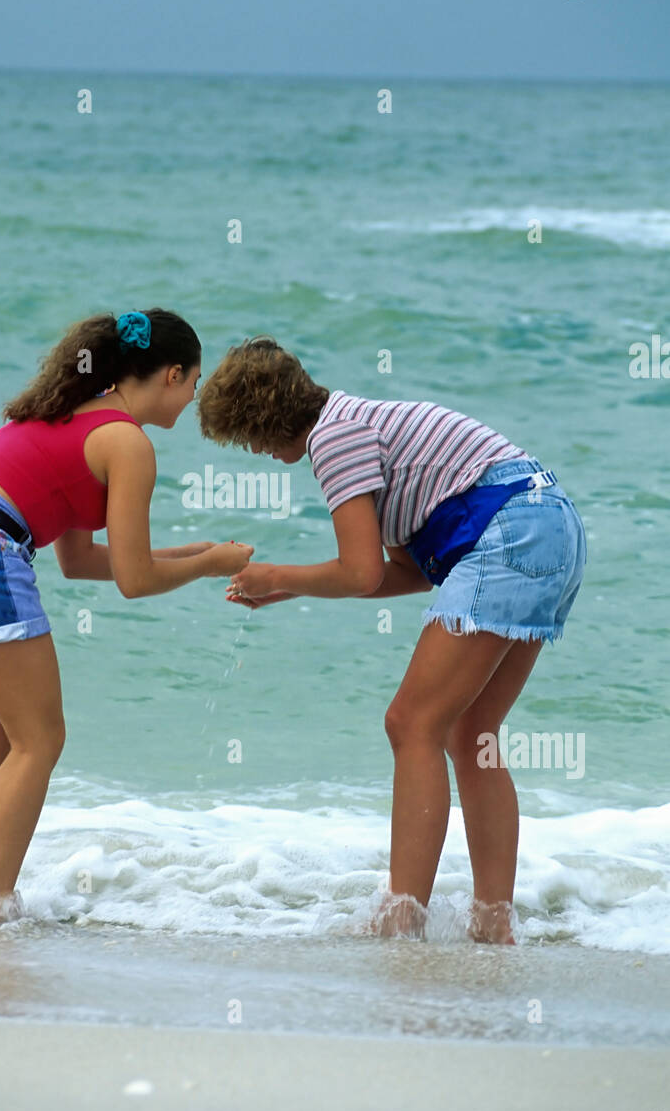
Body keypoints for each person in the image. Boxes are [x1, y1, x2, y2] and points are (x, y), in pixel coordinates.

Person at [197, 337, 586, 944]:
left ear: (263, 416)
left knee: (411, 724)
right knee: (470, 732)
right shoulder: (363, 422)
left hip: (510, 527)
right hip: (549, 525)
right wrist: (294, 590)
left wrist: (275, 574)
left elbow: (360, 573)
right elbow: (404, 571)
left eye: (245, 435)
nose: (251, 449)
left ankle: (401, 914)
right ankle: (492, 922)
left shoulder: (334, 435)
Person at [0, 309, 252, 921]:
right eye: (193, 381)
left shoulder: (67, 410)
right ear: (170, 374)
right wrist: (212, 564)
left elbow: (81, 561)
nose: (193, 396)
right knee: (39, 740)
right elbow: (137, 583)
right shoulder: (127, 442)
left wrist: (187, 554)